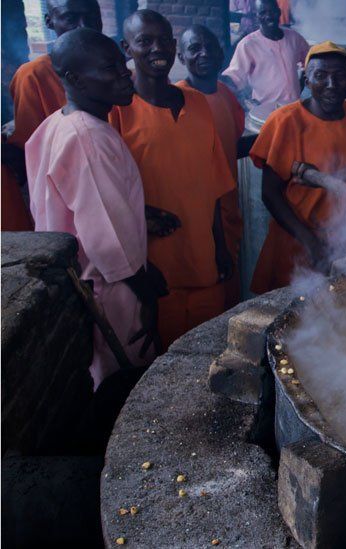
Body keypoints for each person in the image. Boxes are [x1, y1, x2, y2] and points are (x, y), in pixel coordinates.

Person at [26, 28, 164, 387]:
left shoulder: (58, 123)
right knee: (123, 381)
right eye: (109, 69)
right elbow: (109, 241)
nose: (125, 74)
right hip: (111, 287)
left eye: (121, 64)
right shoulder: (89, 138)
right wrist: (146, 293)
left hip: (81, 282)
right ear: (73, 78)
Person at [111, 10, 235, 348]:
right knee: (160, 362)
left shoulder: (196, 103)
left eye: (163, 40)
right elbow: (108, 196)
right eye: (144, 41)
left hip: (202, 259)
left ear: (173, 45)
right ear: (127, 48)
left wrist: (220, 249)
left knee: (208, 353)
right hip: (151, 269)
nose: (157, 49)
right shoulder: (118, 111)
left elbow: (212, 187)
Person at [249, 42, 346, 293]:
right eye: (321, 75)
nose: (332, 84)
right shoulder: (285, 122)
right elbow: (270, 193)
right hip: (296, 244)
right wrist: (311, 243)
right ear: (306, 80)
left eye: (340, 76)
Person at [176, 25, 245, 307]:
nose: (204, 54)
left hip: (228, 212)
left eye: (210, 48)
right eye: (194, 48)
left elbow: (235, 143)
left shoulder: (226, 95)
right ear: (181, 57)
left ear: (222, 55)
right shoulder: (177, 101)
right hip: (200, 218)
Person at [8, 0, 102, 150]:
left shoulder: (115, 67)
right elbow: (30, 146)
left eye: (92, 17)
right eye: (71, 19)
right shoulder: (33, 75)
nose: (84, 26)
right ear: (49, 22)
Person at [221, 0, 309, 118]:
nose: (268, 16)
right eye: (263, 12)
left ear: (279, 12)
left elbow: (309, 61)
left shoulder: (294, 38)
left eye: (272, 11)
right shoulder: (248, 44)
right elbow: (235, 77)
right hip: (266, 111)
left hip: (295, 108)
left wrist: (303, 79)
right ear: (257, 16)